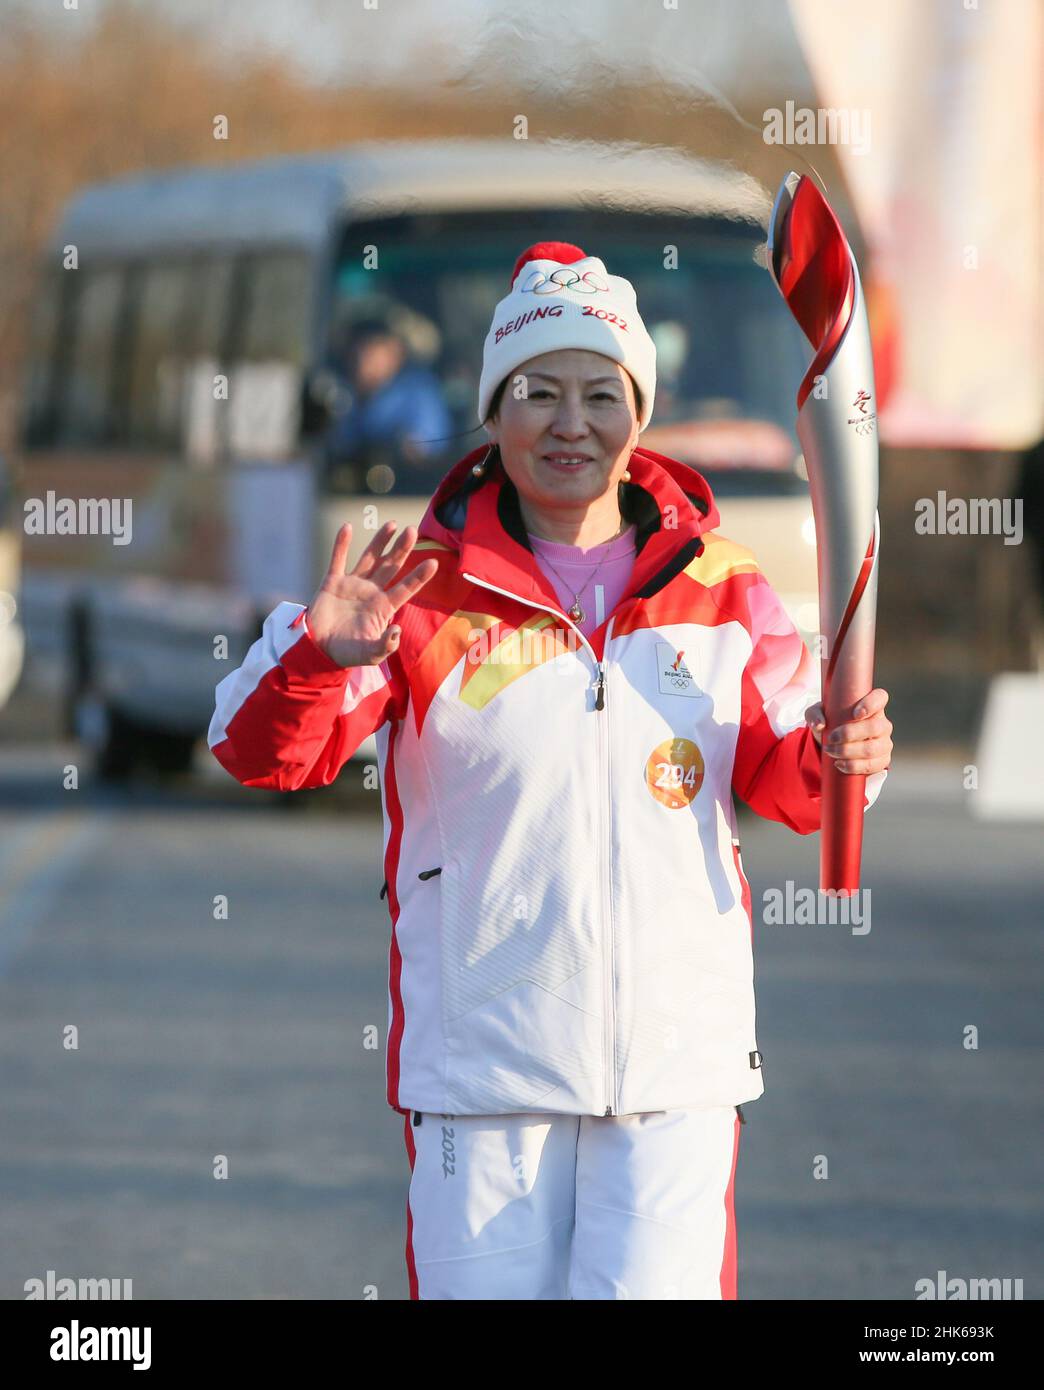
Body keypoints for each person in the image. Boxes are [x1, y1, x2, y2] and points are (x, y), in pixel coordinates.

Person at [208, 241, 893, 1300]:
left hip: (676, 1072)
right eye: (537, 393)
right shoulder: (415, 593)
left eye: (599, 394)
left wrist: (843, 757)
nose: (569, 423)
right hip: (484, 1078)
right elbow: (260, 756)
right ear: (493, 412)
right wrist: (316, 655)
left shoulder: (723, 587)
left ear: (639, 416)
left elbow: (788, 783)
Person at [324, 316, 452, 469]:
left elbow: (431, 440)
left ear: (395, 352)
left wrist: (409, 445)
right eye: (357, 351)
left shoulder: (418, 389)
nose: (362, 360)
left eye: (371, 351)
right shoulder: (335, 390)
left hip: (405, 487)